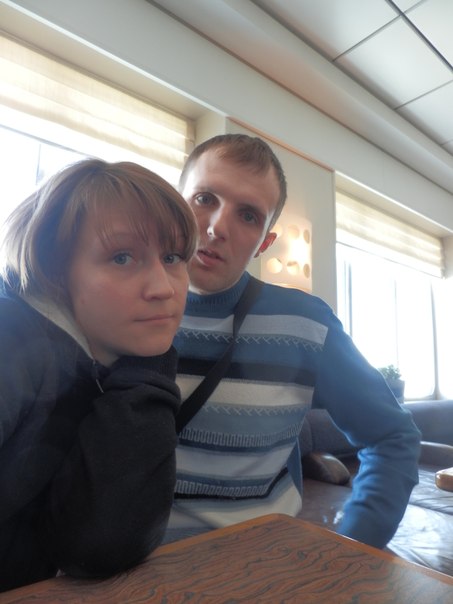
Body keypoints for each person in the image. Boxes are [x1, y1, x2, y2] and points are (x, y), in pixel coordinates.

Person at [167, 133, 421, 549]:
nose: (217, 227)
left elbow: (392, 436)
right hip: (128, 568)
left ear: (264, 243)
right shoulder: (116, 308)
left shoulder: (308, 324)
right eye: (205, 198)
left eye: (248, 215)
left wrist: (353, 550)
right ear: (174, 205)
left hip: (262, 566)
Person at [0, 159, 198, 592]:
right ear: (55, 272)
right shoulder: (10, 334)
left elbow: (100, 544)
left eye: (172, 257)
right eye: (122, 257)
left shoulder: (100, 358)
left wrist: (148, 366)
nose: (163, 288)